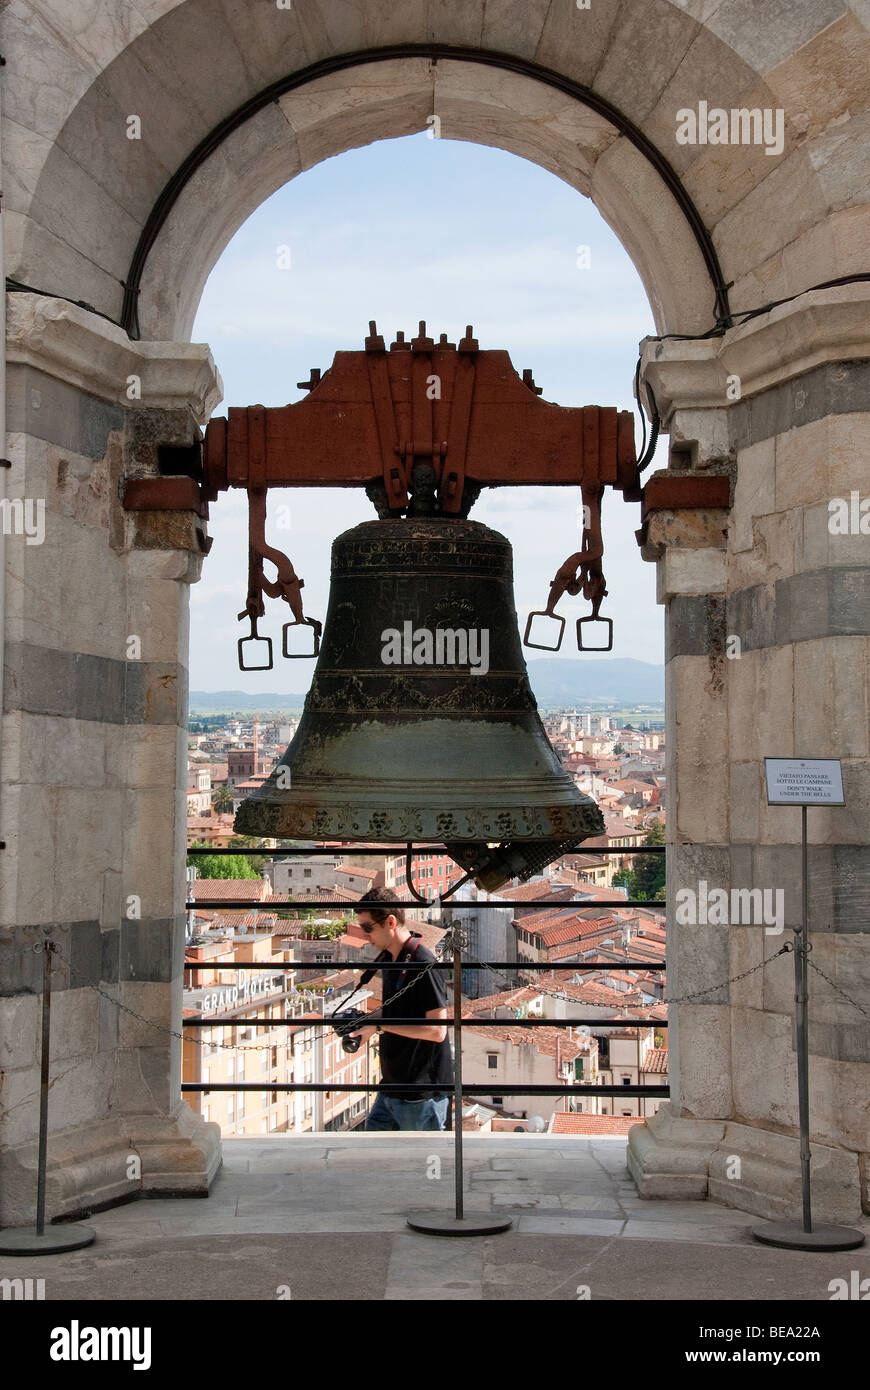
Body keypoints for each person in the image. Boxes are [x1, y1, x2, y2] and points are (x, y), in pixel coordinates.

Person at [348, 887, 453, 1130]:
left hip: (421, 1094)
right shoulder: (390, 959)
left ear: (390, 922)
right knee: (374, 1161)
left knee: (425, 1166)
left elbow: (438, 1032)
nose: (365, 935)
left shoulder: (423, 963)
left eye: (367, 927)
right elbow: (395, 1009)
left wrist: (379, 1025)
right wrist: (367, 1025)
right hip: (392, 1088)